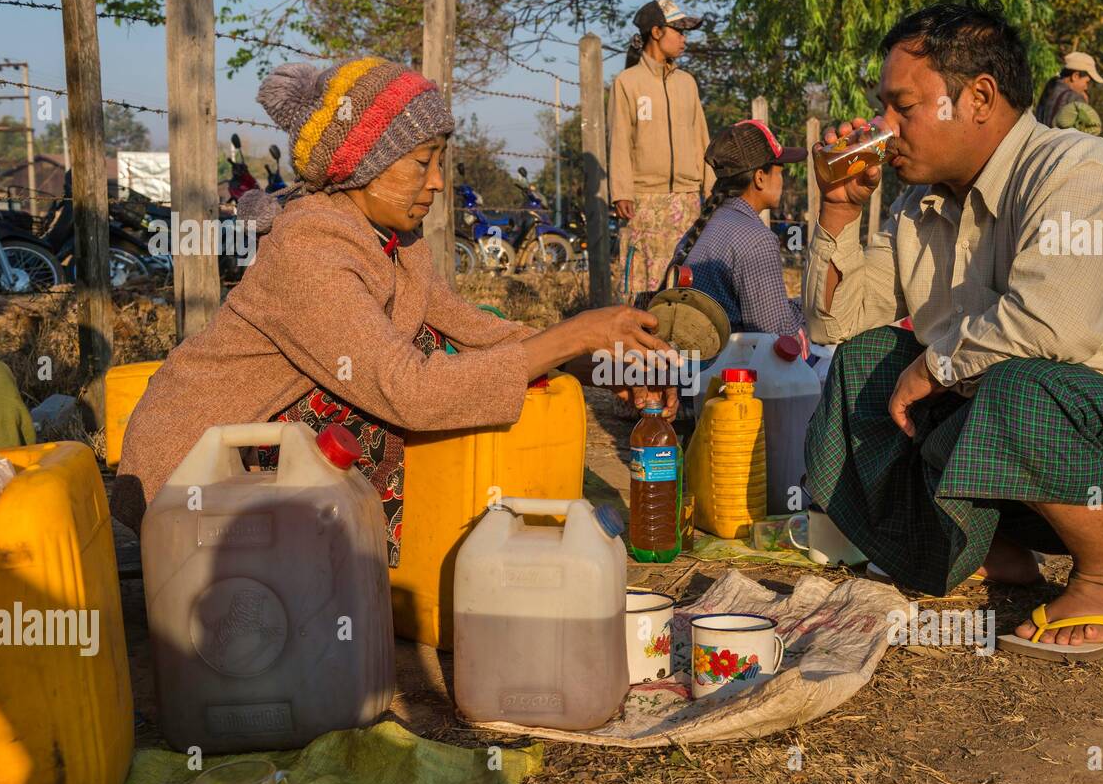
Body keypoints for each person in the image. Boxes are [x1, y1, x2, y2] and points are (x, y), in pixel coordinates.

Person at [112, 57, 678, 564]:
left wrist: (600, 360)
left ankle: (383, 570)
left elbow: (479, 332)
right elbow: (409, 391)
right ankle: (365, 568)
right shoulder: (310, 248)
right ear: (362, 165)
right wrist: (574, 335)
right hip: (192, 479)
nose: (437, 182)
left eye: (440, 162)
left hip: (259, 450)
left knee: (438, 345)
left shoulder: (393, 242)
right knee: (405, 377)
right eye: (422, 162)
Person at [802, 0, 1103, 655]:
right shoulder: (921, 207)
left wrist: (935, 365)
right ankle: (1001, 556)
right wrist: (835, 214)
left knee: (1012, 379)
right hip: (1031, 459)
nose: (883, 126)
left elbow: (1053, 327)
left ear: (977, 97)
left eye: (902, 106)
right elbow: (837, 325)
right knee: (868, 361)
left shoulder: (1081, 170)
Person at [609, 0, 714, 300]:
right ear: (656, 32)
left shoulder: (687, 83)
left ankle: (681, 346)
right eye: (678, 30)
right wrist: (622, 192)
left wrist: (711, 189)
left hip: (687, 201)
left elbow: (701, 139)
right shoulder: (627, 83)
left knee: (684, 283)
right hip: (643, 200)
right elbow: (620, 139)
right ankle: (637, 346)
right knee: (642, 283)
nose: (684, 38)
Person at [666, 120, 806, 341]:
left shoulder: (706, 225)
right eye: (780, 172)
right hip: (724, 370)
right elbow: (777, 337)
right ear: (760, 177)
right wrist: (810, 309)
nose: (783, 181)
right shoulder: (756, 239)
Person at [1034, 50, 1103, 128]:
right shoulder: (1075, 97)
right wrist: (1084, 106)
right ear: (1075, 76)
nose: (1086, 87)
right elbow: (1086, 131)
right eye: (1087, 82)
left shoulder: (1050, 87)